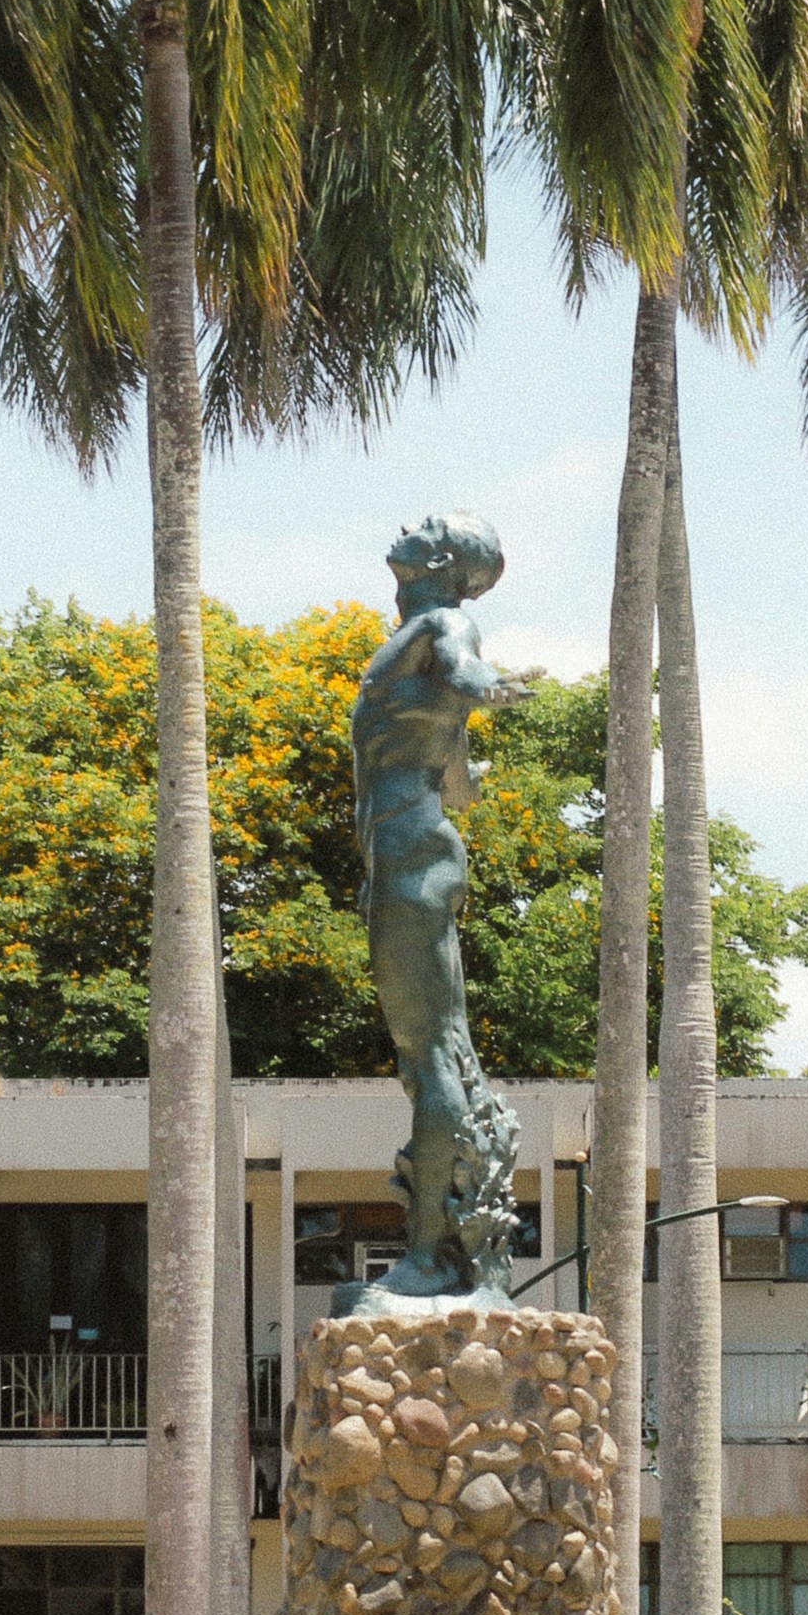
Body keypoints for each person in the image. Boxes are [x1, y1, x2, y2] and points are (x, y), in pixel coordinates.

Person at [343, 513, 532, 1312]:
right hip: (405, 848)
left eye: (426, 527)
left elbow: (461, 666)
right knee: (431, 1049)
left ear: (445, 560)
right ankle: (447, 1249)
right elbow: (456, 778)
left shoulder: (444, 621)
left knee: (429, 1054)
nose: (405, 528)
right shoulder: (414, 634)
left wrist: (483, 687)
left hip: (412, 850)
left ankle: (428, 1255)